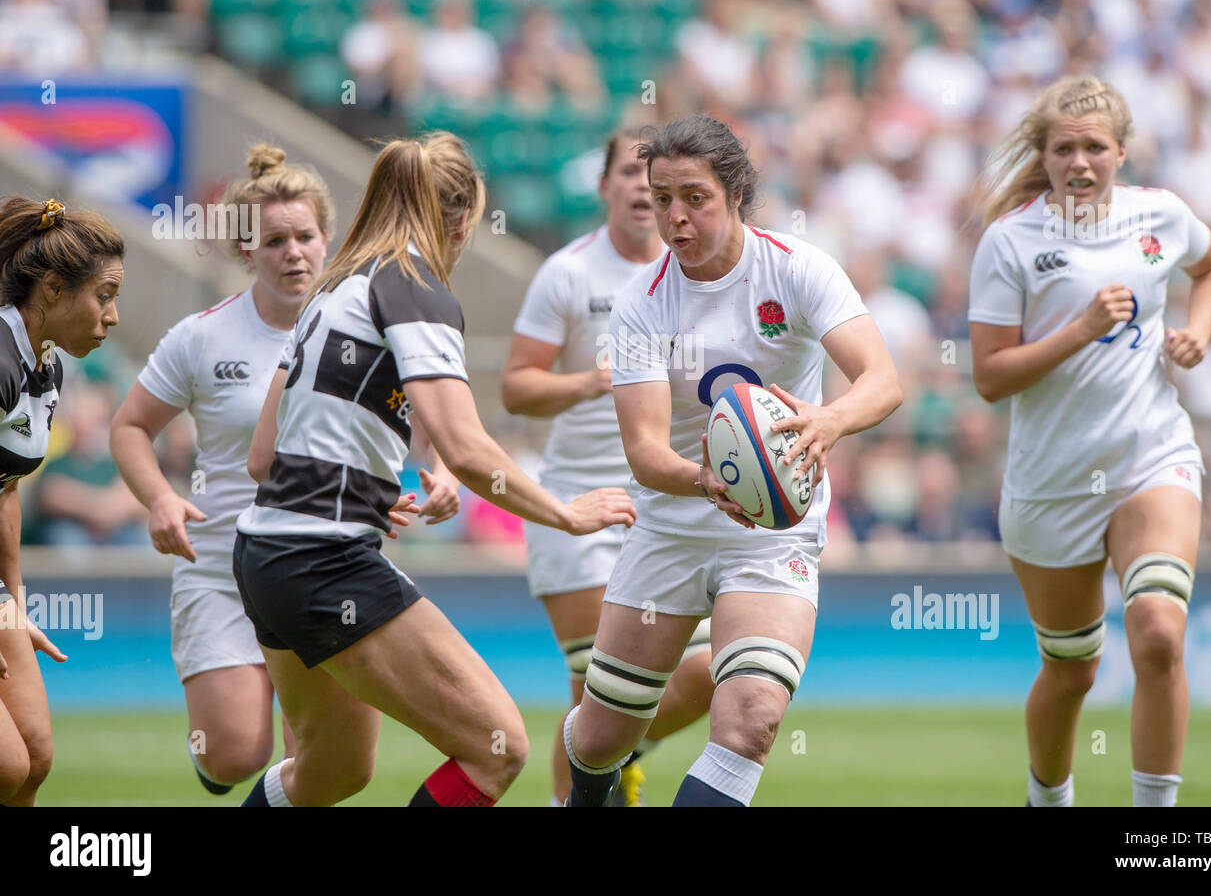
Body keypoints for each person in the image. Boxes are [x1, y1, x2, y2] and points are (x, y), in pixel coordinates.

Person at [233, 132, 635, 807]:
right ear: (460, 220)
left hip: (264, 555)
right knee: (497, 746)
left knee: (331, 769)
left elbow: (262, 455)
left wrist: (356, 482)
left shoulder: (335, 289)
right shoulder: (416, 286)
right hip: (323, 561)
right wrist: (566, 512)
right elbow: (468, 444)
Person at [563, 115, 902, 807]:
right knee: (599, 737)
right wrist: (705, 480)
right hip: (672, 530)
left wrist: (830, 418)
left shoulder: (797, 268)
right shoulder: (641, 305)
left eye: (694, 197)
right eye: (661, 199)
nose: (675, 217)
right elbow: (646, 450)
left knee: (751, 720)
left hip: (775, 532)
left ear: (736, 192)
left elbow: (883, 380)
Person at [967, 75, 1211, 807]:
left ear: (1121, 152)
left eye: (1094, 147)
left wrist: (1198, 334)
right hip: (1050, 484)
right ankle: (1047, 799)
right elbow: (989, 377)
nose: (1079, 163)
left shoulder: (1161, 214)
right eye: (1063, 150)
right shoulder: (1010, 241)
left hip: (1151, 454)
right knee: (1072, 669)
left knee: (1156, 633)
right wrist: (1080, 329)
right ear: (1043, 156)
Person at [110, 145, 351, 794]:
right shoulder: (202, 336)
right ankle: (222, 751)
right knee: (235, 753)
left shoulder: (360, 332)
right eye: (275, 240)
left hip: (325, 566)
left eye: (305, 236)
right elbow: (129, 427)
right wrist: (159, 498)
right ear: (247, 251)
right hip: (220, 566)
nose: (294, 252)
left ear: (327, 240)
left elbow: (414, 420)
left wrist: (426, 481)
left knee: (323, 766)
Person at [502, 128, 714, 807]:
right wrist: (588, 383)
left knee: (715, 668)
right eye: (628, 172)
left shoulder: (694, 275)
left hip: (667, 498)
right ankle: (591, 781)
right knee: (596, 687)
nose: (639, 187)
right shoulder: (568, 272)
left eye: (651, 177)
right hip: (581, 500)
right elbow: (515, 386)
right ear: (605, 187)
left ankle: (629, 748)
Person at [0, 196, 124, 805]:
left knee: (34, 759)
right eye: (104, 295)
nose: (115, 316)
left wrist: (15, 606)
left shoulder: (45, 368)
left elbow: (6, 486)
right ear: (52, 289)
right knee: (3, 766)